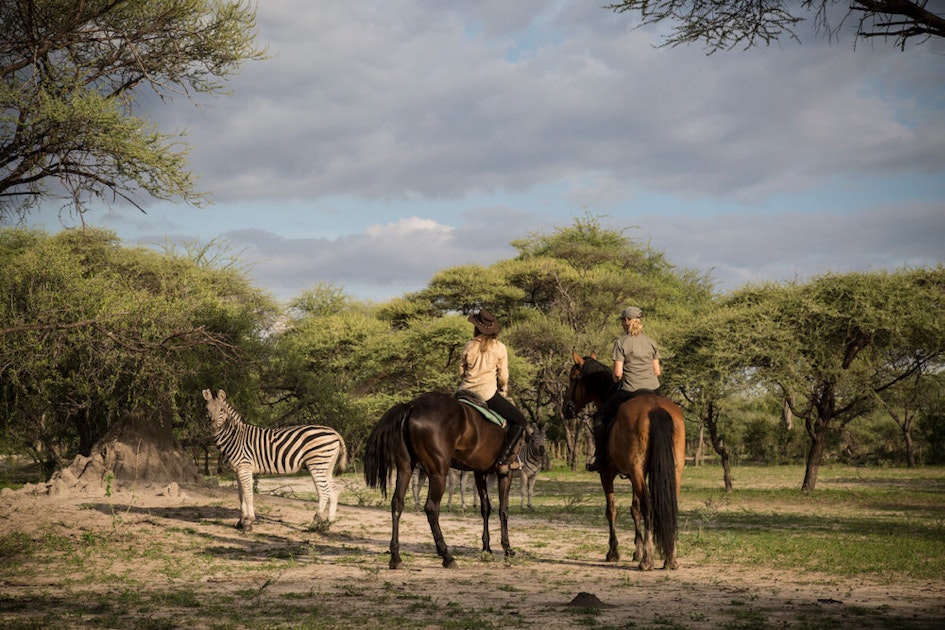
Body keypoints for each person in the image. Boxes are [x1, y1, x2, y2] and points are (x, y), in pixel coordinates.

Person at [586, 306, 662, 472]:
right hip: (653, 388)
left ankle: (601, 460)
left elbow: (618, 374)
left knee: (599, 418)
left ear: (627, 321)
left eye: (622, 320)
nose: (621, 323)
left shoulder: (621, 343)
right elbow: (657, 371)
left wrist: (616, 379)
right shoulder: (651, 342)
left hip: (630, 389)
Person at [458, 309, 528, 470]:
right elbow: (503, 377)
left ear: (476, 327)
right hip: (486, 394)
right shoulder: (499, 348)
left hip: (464, 391)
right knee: (520, 421)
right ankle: (503, 460)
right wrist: (503, 389)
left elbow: (461, 371)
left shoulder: (469, 345)